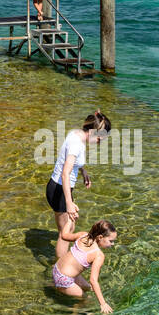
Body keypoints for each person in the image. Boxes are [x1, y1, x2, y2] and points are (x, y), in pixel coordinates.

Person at [46, 111, 112, 262]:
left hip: (58, 187)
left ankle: (63, 265)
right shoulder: (77, 145)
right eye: (100, 138)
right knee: (65, 234)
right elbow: (65, 173)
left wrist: (83, 171)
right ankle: (62, 270)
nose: (100, 142)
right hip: (60, 189)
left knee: (70, 227)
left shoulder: (76, 134)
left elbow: (71, 162)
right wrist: (69, 203)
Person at [51, 219, 119, 314]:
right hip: (64, 280)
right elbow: (93, 280)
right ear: (100, 237)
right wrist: (103, 303)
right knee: (88, 299)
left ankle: (57, 288)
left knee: (89, 288)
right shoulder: (98, 255)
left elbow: (64, 235)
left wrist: (70, 220)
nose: (112, 244)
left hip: (56, 269)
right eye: (111, 241)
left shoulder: (83, 235)